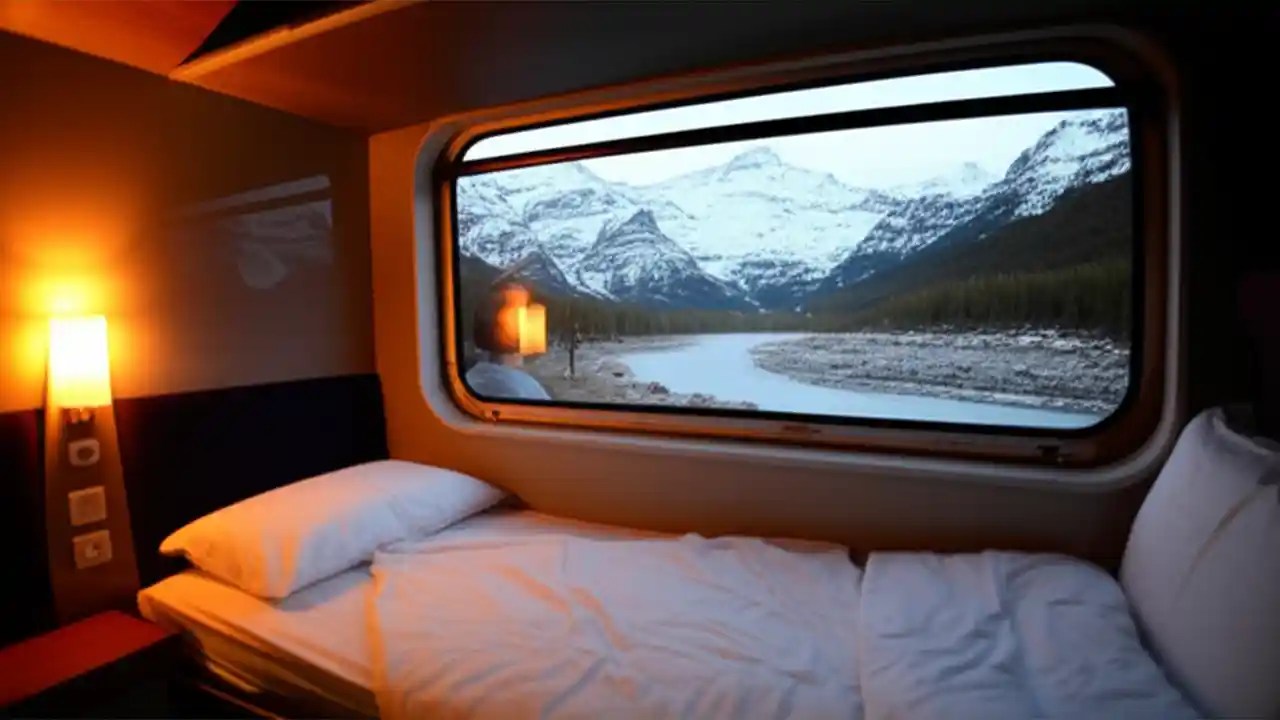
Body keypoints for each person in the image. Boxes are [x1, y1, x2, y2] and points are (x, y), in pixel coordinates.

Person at [465, 283, 551, 400]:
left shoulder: (473, 379)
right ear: (499, 326)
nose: (536, 314)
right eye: (523, 310)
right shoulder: (512, 392)